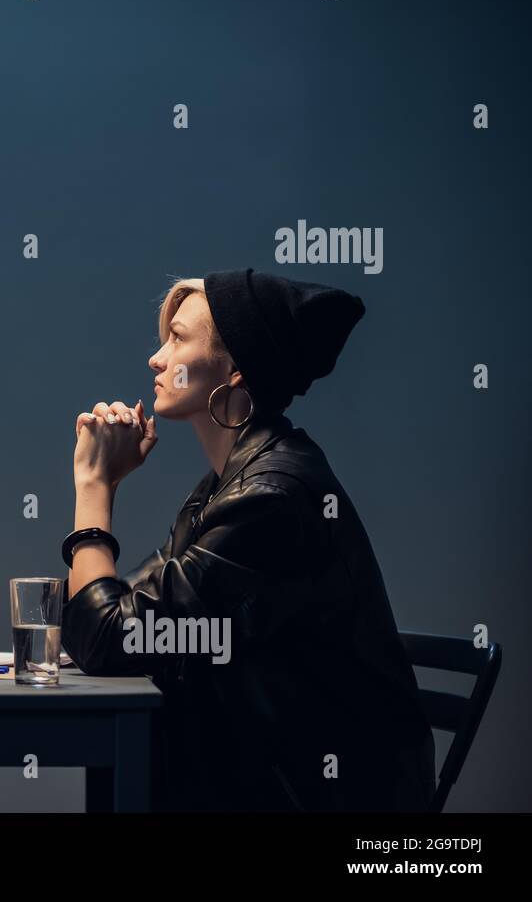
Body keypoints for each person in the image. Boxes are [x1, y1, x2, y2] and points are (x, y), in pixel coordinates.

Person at [61, 269, 436, 812]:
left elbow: (106, 637)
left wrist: (95, 485)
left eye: (178, 339)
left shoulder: (270, 500)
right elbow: (126, 623)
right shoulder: (228, 486)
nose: (156, 358)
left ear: (236, 369)